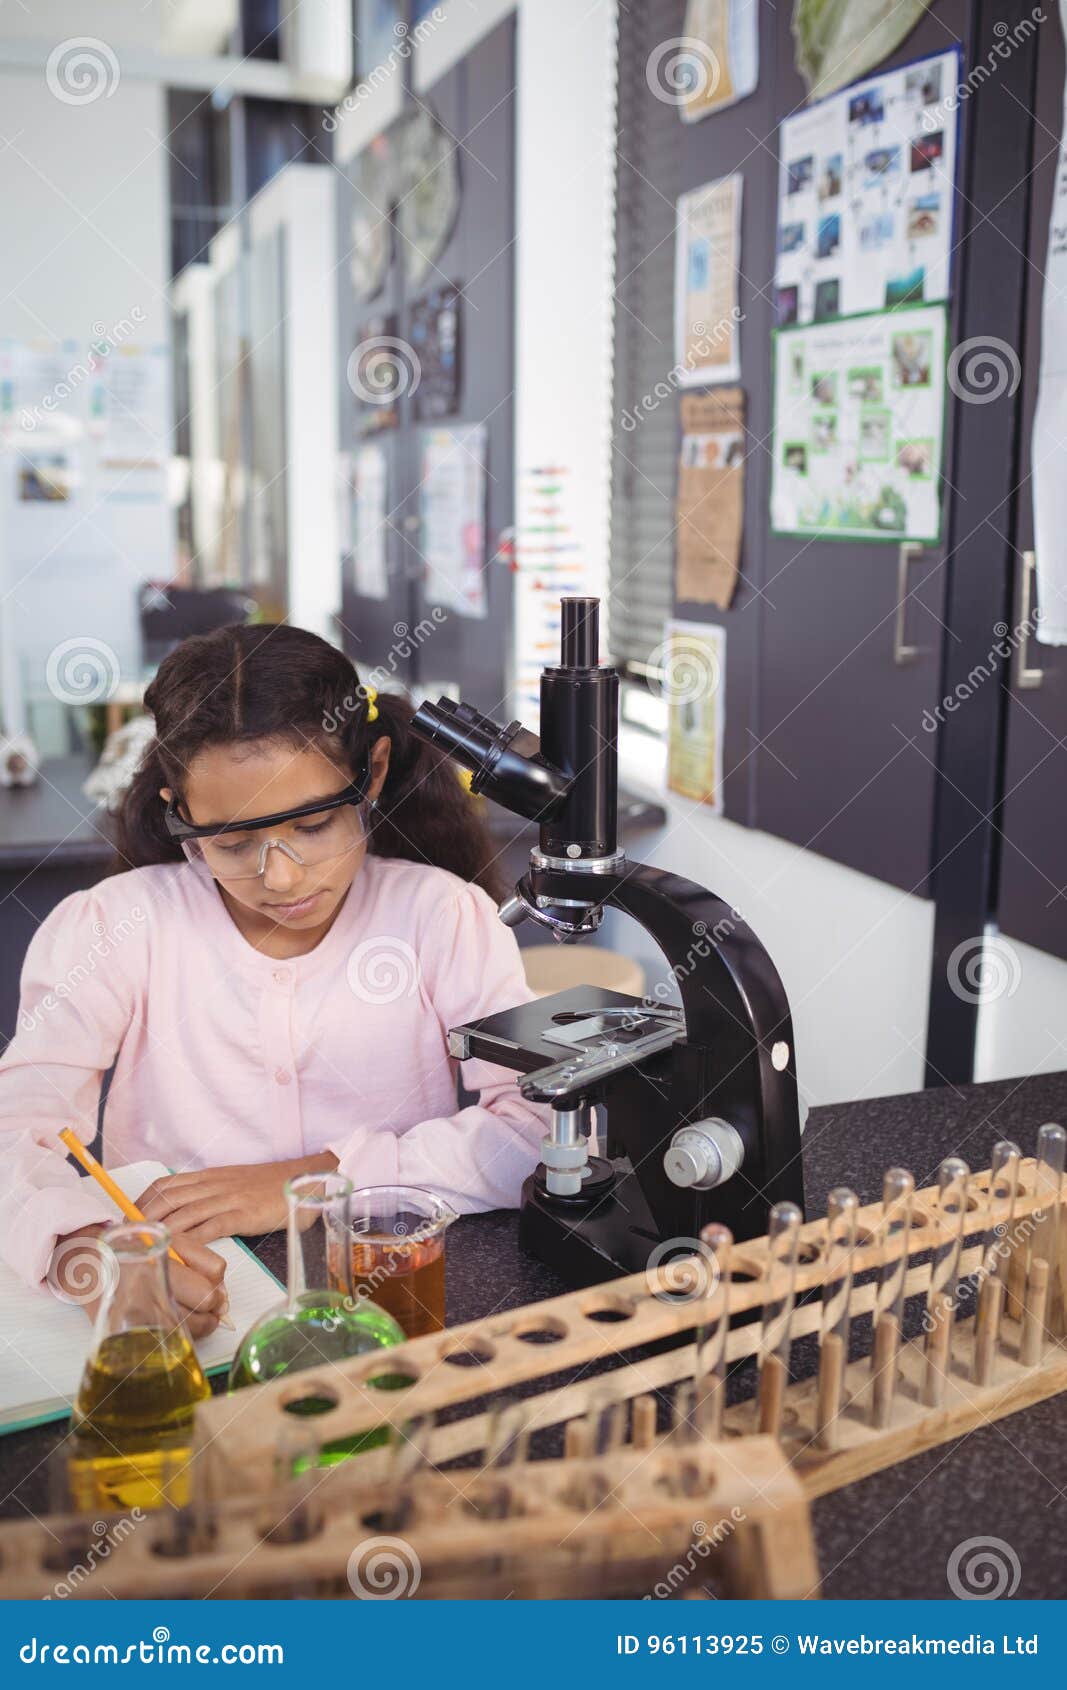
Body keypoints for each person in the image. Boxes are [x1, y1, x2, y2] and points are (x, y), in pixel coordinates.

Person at [0, 624, 547, 1335]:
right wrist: (89, 1249)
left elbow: (537, 1134)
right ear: (179, 812)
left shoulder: (442, 918)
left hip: (393, 1300)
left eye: (315, 825)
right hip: (190, 1307)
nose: (281, 877)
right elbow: (16, 1126)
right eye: (231, 843)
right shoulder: (114, 927)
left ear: (372, 772)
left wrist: (314, 1180)